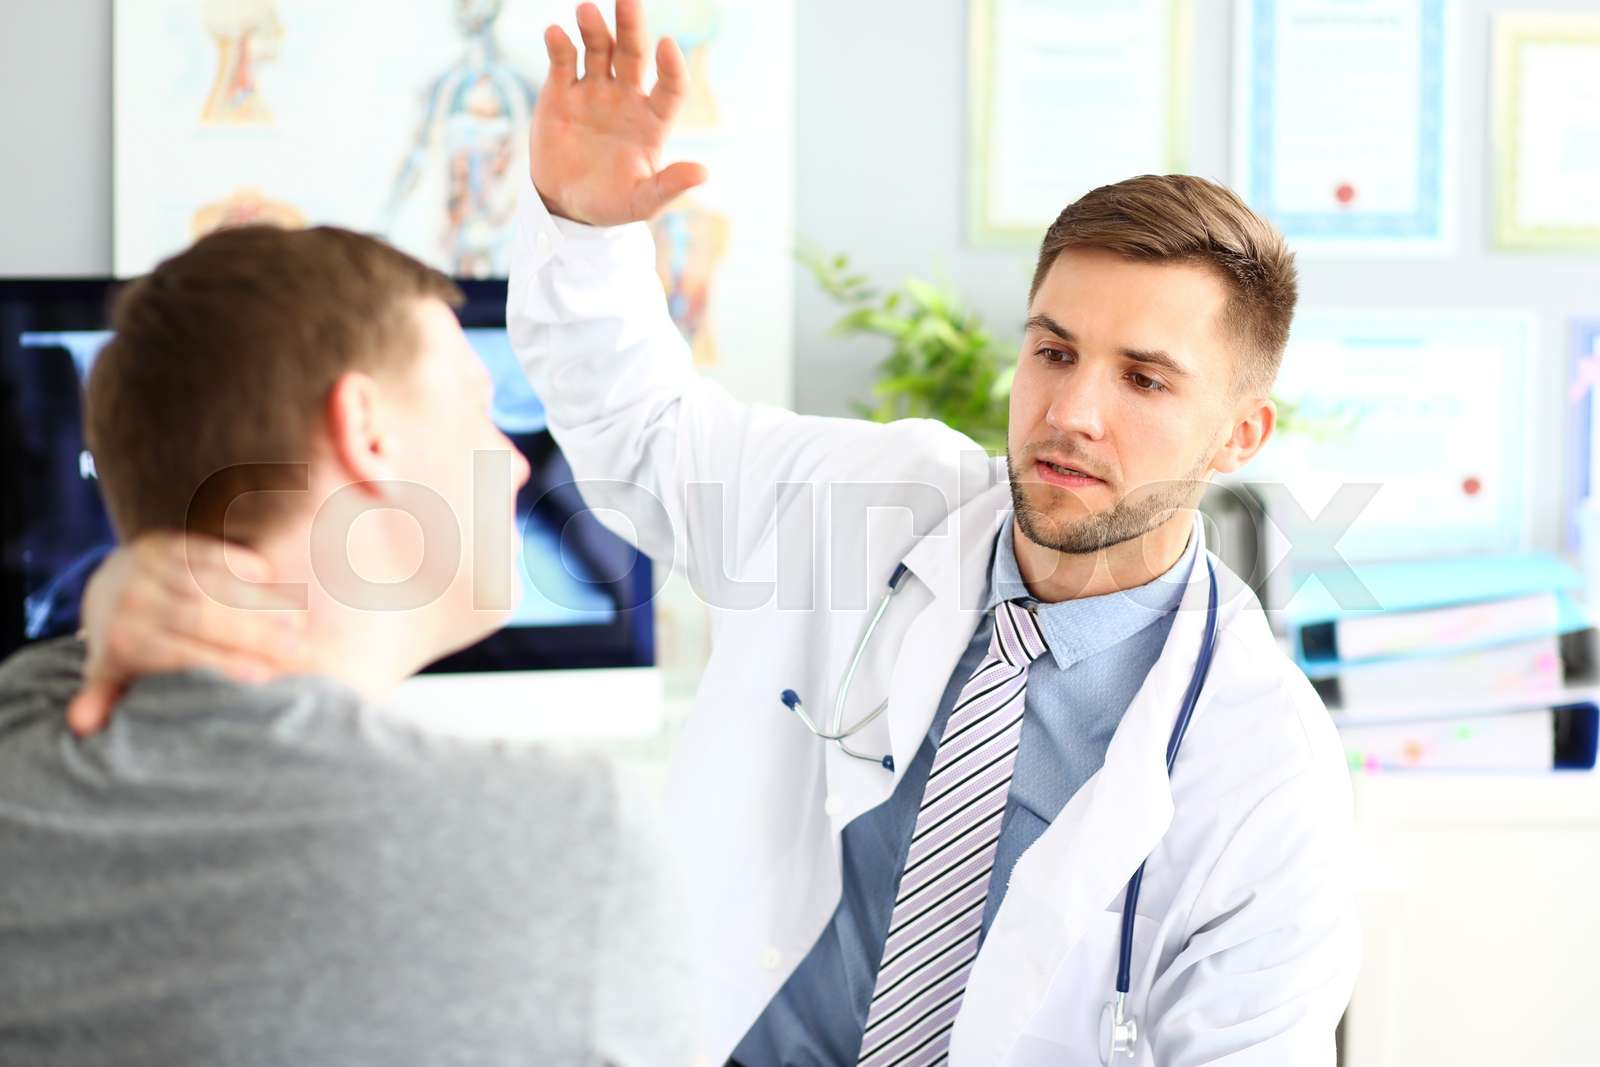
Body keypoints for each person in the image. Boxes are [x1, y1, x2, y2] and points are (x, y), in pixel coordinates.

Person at [70, 3, 1360, 1064]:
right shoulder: (883, 497)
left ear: (1238, 436)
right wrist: (586, 224)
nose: (1070, 411)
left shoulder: (1263, 762)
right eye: (1053, 350)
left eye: (1144, 378)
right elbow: (634, 431)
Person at [0, 224, 618, 1066]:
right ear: (365, 428)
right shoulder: (571, 842)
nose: (513, 462)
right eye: (479, 408)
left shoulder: (21, 738)